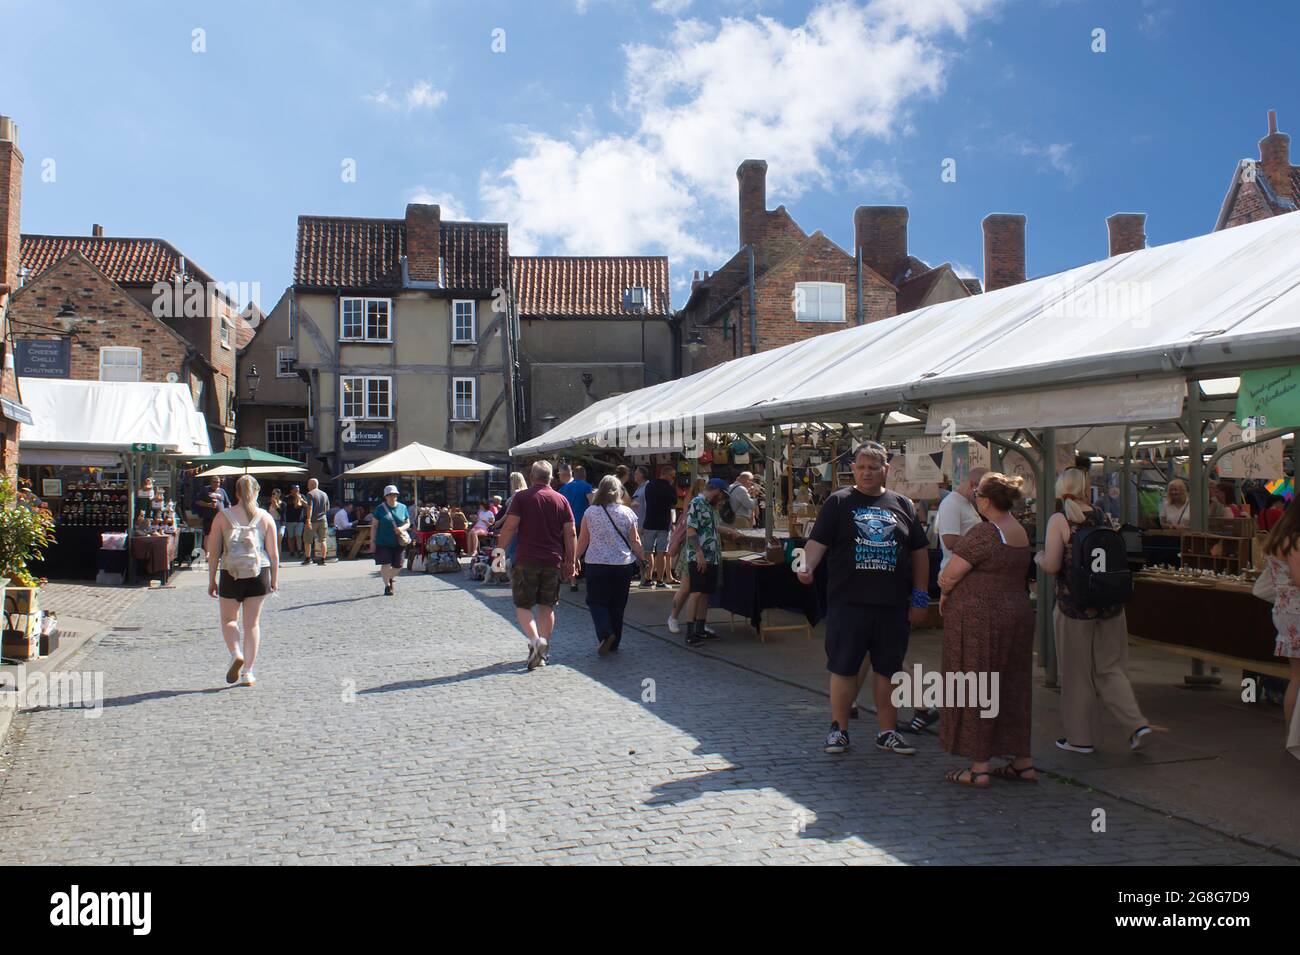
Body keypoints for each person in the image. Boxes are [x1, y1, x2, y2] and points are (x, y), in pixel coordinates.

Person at [798, 442, 930, 757]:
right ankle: (838, 731)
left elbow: (919, 552)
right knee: (843, 668)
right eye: (861, 467)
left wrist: (921, 597)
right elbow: (816, 543)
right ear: (853, 470)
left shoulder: (902, 504)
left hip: (892, 604)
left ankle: (888, 731)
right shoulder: (838, 502)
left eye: (873, 467)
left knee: (889, 669)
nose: (867, 472)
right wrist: (805, 567)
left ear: (886, 469)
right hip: (849, 602)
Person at [1035, 467, 1151, 754]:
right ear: (1086, 488)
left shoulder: (1060, 519)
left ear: (1061, 491)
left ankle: (1080, 739)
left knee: (1076, 674)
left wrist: (1038, 557)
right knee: (1110, 669)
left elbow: (1052, 565)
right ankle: (1136, 724)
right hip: (1110, 605)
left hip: (1073, 606)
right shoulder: (1103, 517)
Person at [935, 473, 1035, 787]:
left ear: (987, 501)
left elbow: (950, 575)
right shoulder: (1018, 530)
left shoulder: (985, 532)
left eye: (978, 495)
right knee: (1012, 687)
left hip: (981, 620)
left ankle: (979, 767)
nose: (975, 499)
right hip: (1016, 614)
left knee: (978, 685)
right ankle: (1022, 762)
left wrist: (945, 592)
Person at [912, 465, 990, 735]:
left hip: (969, 581)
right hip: (958, 580)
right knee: (961, 649)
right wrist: (985, 548)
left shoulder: (966, 504)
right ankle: (943, 709)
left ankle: (950, 709)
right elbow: (950, 540)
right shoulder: (952, 504)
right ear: (973, 484)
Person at [498, 461, 577, 670]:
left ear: (532, 477)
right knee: (547, 606)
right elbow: (571, 533)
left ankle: (535, 641)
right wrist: (571, 561)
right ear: (551, 477)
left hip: (526, 560)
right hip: (552, 560)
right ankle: (543, 650)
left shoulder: (521, 498)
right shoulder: (561, 500)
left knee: (523, 605)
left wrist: (499, 551)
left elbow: (509, 527)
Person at [207, 474, 278, 687]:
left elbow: (214, 553)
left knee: (229, 620)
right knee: (252, 624)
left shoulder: (222, 516)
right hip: (259, 573)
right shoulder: (265, 517)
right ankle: (248, 672)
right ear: (256, 492)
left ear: (236, 493)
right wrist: (275, 580)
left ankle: (235, 653)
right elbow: (273, 554)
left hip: (231, 573)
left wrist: (212, 580)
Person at [576, 475, 643, 655]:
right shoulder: (627, 512)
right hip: (623, 565)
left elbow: (583, 540)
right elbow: (635, 540)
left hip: (597, 564)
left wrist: (574, 558)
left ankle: (606, 633)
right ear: (619, 491)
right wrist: (644, 559)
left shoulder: (590, 512)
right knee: (618, 605)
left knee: (596, 601)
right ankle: (615, 643)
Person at [682, 478, 737, 647]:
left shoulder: (710, 507)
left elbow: (711, 527)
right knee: (696, 592)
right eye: (721, 496)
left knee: (705, 592)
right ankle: (690, 632)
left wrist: (728, 531)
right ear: (716, 491)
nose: (721, 500)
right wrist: (699, 553)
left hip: (712, 556)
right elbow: (691, 530)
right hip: (699, 556)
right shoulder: (697, 503)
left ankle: (700, 627)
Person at [1261, 498, 1300, 732]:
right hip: (1297, 612)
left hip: (1286, 611)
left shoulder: (1278, 540)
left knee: (1296, 676)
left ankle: (1292, 735)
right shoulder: (1295, 541)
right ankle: (1295, 735)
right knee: (1297, 678)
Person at [557, 464, 593, 592]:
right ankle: (589, 578)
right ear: (585, 475)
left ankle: (573, 582)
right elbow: (592, 504)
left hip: (567, 524)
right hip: (583, 523)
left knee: (570, 551)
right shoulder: (587, 487)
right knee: (587, 551)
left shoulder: (564, 488)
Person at [640, 465, 677, 588]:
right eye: (672, 476)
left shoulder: (649, 486)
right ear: (666, 475)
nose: (673, 478)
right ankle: (660, 580)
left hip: (649, 522)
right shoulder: (669, 488)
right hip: (663, 524)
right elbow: (674, 503)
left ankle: (647, 578)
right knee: (661, 553)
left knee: (648, 552)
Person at [370, 485, 410, 596]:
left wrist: (401, 528)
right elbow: (374, 526)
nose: (392, 497)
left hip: (399, 541)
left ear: (397, 495)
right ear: (385, 497)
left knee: (398, 565)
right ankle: (387, 586)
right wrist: (372, 542)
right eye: (390, 495)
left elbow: (408, 523)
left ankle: (390, 578)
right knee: (385, 564)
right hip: (383, 541)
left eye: (394, 495)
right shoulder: (379, 509)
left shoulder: (402, 507)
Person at [302, 477, 331, 566]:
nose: (307, 486)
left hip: (313, 520)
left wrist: (308, 519)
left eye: (308, 484)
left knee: (308, 540)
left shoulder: (310, 494)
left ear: (312, 485)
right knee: (323, 540)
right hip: (323, 519)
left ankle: (308, 559)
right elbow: (327, 508)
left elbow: (310, 507)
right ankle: (323, 560)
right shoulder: (324, 494)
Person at [465, 499, 495, 566]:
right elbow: (477, 521)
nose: (480, 507)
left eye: (481, 505)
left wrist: (486, 522)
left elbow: (491, 524)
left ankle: (475, 550)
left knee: (474, 533)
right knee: (470, 533)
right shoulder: (480, 512)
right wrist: (474, 519)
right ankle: (469, 551)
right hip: (477, 526)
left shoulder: (490, 513)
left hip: (484, 528)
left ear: (484, 505)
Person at [283, 485, 305, 557]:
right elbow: (295, 506)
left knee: (298, 535)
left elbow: (307, 505)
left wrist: (301, 500)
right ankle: (291, 550)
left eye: (298, 490)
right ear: (291, 491)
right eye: (295, 490)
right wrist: (296, 499)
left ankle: (299, 550)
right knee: (291, 537)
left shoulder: (302, 496)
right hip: (290, 520)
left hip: (299, 520)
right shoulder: (287, 498)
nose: (297, 492)